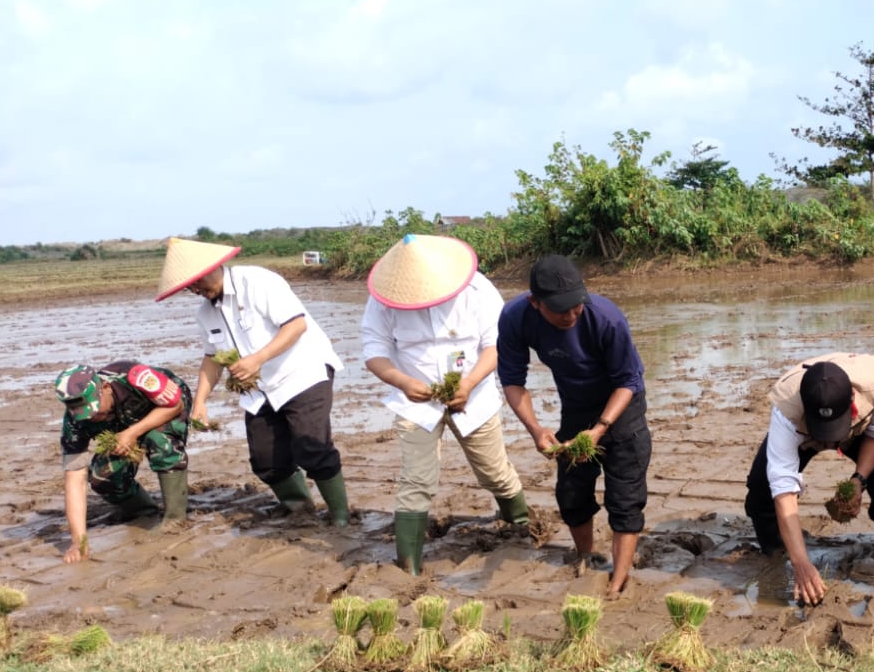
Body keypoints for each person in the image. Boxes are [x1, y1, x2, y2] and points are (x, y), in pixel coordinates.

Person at [361, 234, 531, 577]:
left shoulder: (478, 290)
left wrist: (467, 384)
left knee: (494, 473)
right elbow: (373, 350)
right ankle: (408, 567)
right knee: (416, 482)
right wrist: (402, 382)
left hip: (474, 396)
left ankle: (520, 525)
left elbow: (496, 345)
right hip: (416, 403)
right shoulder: (383, 300)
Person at [155, 236, 351, 524]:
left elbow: (296, 325)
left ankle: (340, 514)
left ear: (216, 266)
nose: (196, 289)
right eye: (189, 286)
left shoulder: (258, 282)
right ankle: (299, 507)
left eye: (197, 281)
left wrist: (257, 359)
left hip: (302, 373)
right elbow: (212, 358)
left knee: (312, 448)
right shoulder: (205, 313)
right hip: (260, 391)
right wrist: (199, 403)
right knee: (266, 461)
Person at [498, 254, 651, 597]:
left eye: (576, 307)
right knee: (571, 491)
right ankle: (586, 555)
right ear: (535, 303)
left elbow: (628, 381)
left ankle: (618, 579)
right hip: (576, 407)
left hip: (622, 406)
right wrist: (535, 428)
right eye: (560, 310)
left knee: (625, 496)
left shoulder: (606, 318)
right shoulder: (515, 318)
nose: (570, 315)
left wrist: (601, 428)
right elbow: (512, 379)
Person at [744, 353, 874, 606]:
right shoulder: (786, 411)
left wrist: (859, 480)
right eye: (823, 432)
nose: (829, 441)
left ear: (852, 402)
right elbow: (783, 491)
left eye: (834, 431)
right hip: (802, 432)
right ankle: (775, 552)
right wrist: (800, 563)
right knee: (761, 489)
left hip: (860, 431)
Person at [54, 360, 191, 562]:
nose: (93, 418)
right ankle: (144, 511)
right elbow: (75, 478)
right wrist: (78, 541)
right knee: (103, 477)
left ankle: (175, 519)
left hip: (164, 404)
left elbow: (174, 404)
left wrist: (133, 432)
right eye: (87, 415)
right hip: (122, 423)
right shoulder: (75, 421)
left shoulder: (137, 378)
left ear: (106, 388)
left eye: (96, 411)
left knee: (160, 442)